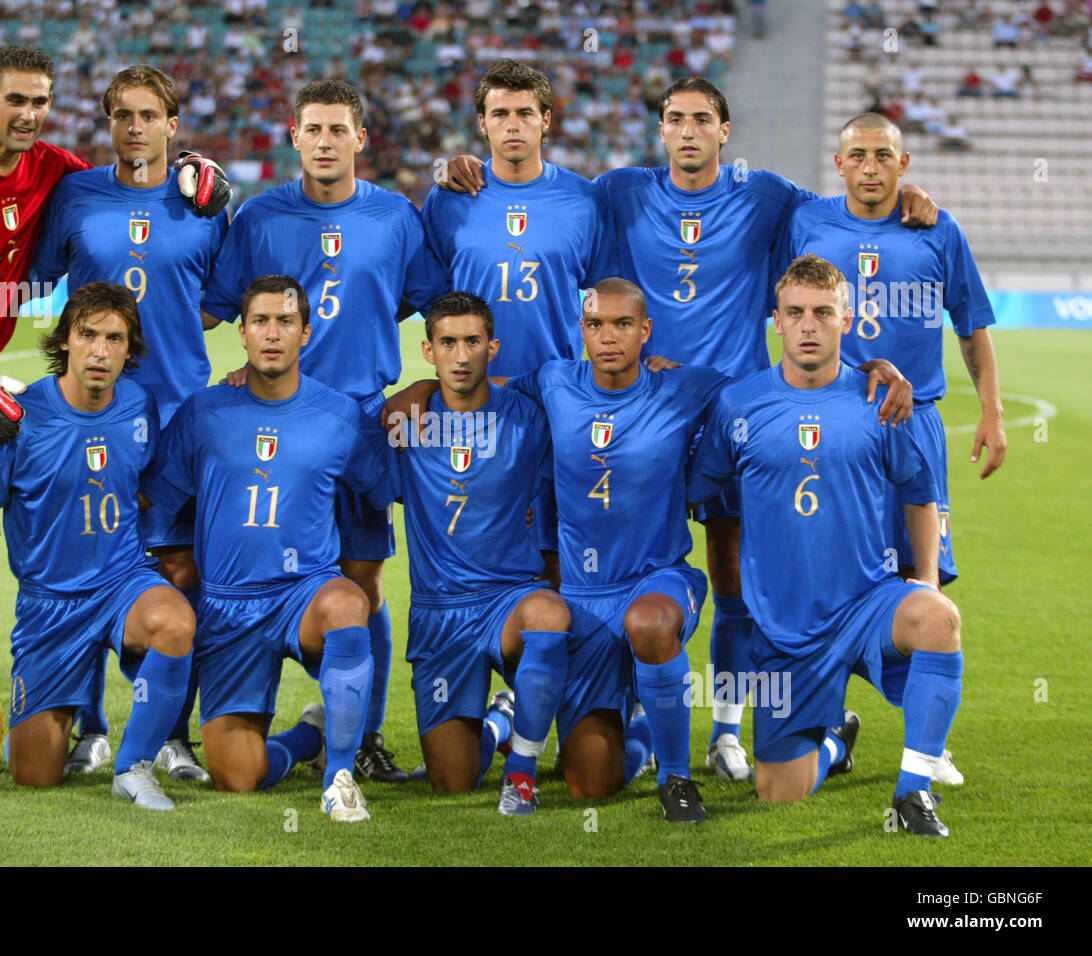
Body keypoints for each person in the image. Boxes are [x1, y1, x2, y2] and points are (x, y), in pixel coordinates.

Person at [437, 77, 920, 785]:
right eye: (675, 119)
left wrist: (908, 202)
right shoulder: (618, 191)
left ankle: (726, 731)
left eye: (702, 119)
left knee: (735, 582)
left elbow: (849, 209)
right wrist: (455, 174)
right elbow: (536, 197)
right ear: (660, 129)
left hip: (736, 415)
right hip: (635, 412)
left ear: (724, 130)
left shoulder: (766, 195)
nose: (688, 130)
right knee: (574, 555)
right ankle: (580, 695)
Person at [0, 45, 226, 786]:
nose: (28, 115)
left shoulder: (56, 171)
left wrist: (210, 182)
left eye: (40, 103)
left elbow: (165, 191)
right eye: (15, 101)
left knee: (164, 560)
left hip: (3, 380)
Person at [202, 79, 448, 784]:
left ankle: (362, 736)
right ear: (294, 135)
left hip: (364, 424)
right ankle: (241, 719)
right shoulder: (257, 219)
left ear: (360, 139)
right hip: (270, 423)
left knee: (361, 579)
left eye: (339, 130)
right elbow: (216, 311)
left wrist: (425, 382)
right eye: (313, 129)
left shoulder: (397, 217)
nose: (325, 141)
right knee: (262, 572)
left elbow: (432, 307)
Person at [688, 255, 963, 837]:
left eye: (821, 312)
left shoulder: (879, 401)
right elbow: (702, 489)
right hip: (785, 629)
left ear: (847, 319)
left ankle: (914, 792)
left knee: (938, 620)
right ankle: (837, 742)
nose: (808, 324)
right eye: (795, 312)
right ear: (777, 321)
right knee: (778, 792)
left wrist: (929, 580)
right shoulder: (738, 405)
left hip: (868, 602)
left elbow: (919, 493)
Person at [787, 112, 1004, 784]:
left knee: (921, 578)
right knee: (831, 572)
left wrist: (991, 413)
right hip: (833, 423)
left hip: (915, 425)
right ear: (839, 161)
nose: (871, 167)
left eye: (884, 155)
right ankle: (831, 722)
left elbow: (970, 327)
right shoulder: (805, 222)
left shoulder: (938, 228)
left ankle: (927, 741)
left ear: (904, 165)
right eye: (858, 155)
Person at [30, 64, 231, 782]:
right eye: (122, 115)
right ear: (108, 123)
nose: (135, 127)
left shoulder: (204, 204)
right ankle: (88, 725)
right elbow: (35, 280)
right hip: (89, 418)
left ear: (173, 126)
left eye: (149, 115)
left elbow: (223, 299)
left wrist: (160, 331)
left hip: (179, 416)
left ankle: (173, 733)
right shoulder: (77, 195)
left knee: (181, 570)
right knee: (82, 562)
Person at [142, 275, 397, 821]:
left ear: (306, 332)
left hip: (303, 592)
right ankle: (311, 736)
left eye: (285, 322)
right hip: (227, 605)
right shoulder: (203, 412)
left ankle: (342, 776)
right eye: (261, 321)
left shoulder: (341, 416)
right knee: (239, 778)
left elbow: (386, 489)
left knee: (348, 603)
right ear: (243, 333)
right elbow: (158, 497)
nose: (273, 333)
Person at [0, 281, 195, 810]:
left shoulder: (139, 405)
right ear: (64, 342)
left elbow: (143, 484)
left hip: (122, 582)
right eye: (88, 335)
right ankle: (81, 715)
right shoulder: (19, 419)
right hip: (49, 606)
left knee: (175, 621)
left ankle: (133, 766)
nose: (100, 351)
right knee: (35, 775)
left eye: (115, 338)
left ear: (131, 349)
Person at [505, 278, 724, 823]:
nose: (609, 337)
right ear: (582, 330)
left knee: (648, 624)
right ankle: (646, 729)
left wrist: (867, 370)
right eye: (596, 325)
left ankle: (677, 778)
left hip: (658, 579)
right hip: (583, 598)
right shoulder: (555, 380)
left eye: (623, 325)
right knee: (590, 785)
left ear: (645, 330)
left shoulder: (685, 388)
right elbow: (486, 389)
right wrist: (419, 395)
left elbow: (779, 388)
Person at [419, 59, 615, 589]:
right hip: (472, 402)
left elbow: (608, 300)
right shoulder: (449, 198)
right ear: (481, 124)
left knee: (557, 554)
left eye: (525, 113)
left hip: (557, 401)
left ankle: (555, 670)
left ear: (546, 120)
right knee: (475, 550)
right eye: (499, 113)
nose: (512, 124)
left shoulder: (584, 200)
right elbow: (432, 299)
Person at [390, 291, 570, 816]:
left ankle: (522, 776)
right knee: (453, 783)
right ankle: (500, 721)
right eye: (448, 342)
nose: (461, 355)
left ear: (493, 347)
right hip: (439, 614)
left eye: (472, 341)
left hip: (510, 600)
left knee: (549, 617)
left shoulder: (531, 420)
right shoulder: (404, 425)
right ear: (429, 351)